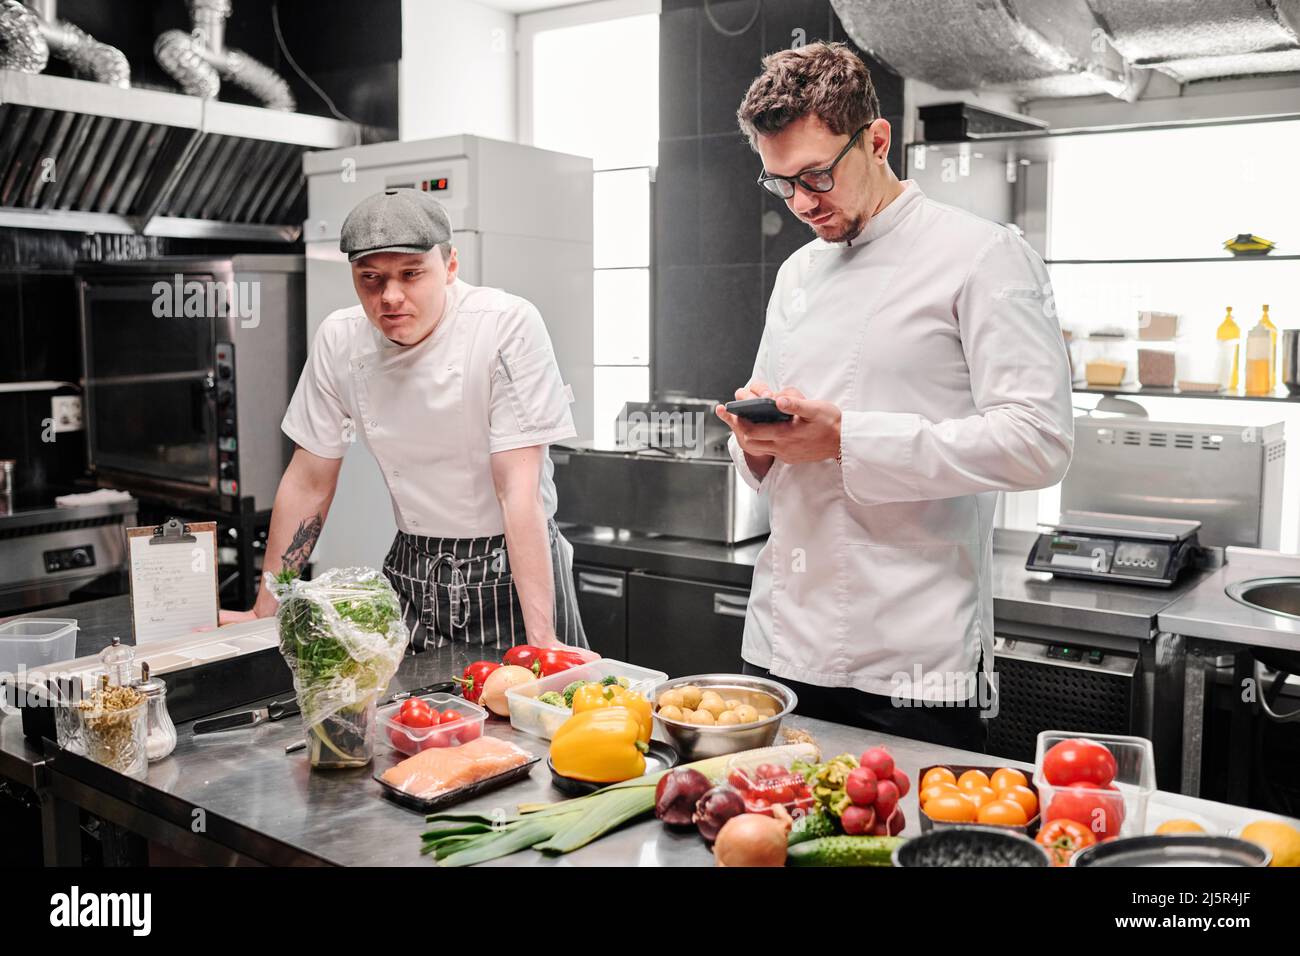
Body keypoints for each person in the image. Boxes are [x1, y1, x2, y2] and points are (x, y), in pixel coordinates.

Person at [715, 42, 1074, 750]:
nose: (802, 203)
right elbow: (775, 431)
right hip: (784, 639)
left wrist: (847, 438)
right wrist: (754, 439)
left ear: (877, 140)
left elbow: (1040, 441)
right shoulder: (797, 272)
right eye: (781, 183)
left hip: (914, 657)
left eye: (817, 174)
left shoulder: (982, 255)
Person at [222, 187, 592, 656]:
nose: (390, 297)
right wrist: (265, 609)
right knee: (412, 722)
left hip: (516, 572)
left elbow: (517, 491)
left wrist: (542, 639)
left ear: (450, 265)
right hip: (413, 571)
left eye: (411, 274)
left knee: (533, 719)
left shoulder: (505, 325)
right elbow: (308, 483)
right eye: (370, 279)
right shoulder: (340, 338)